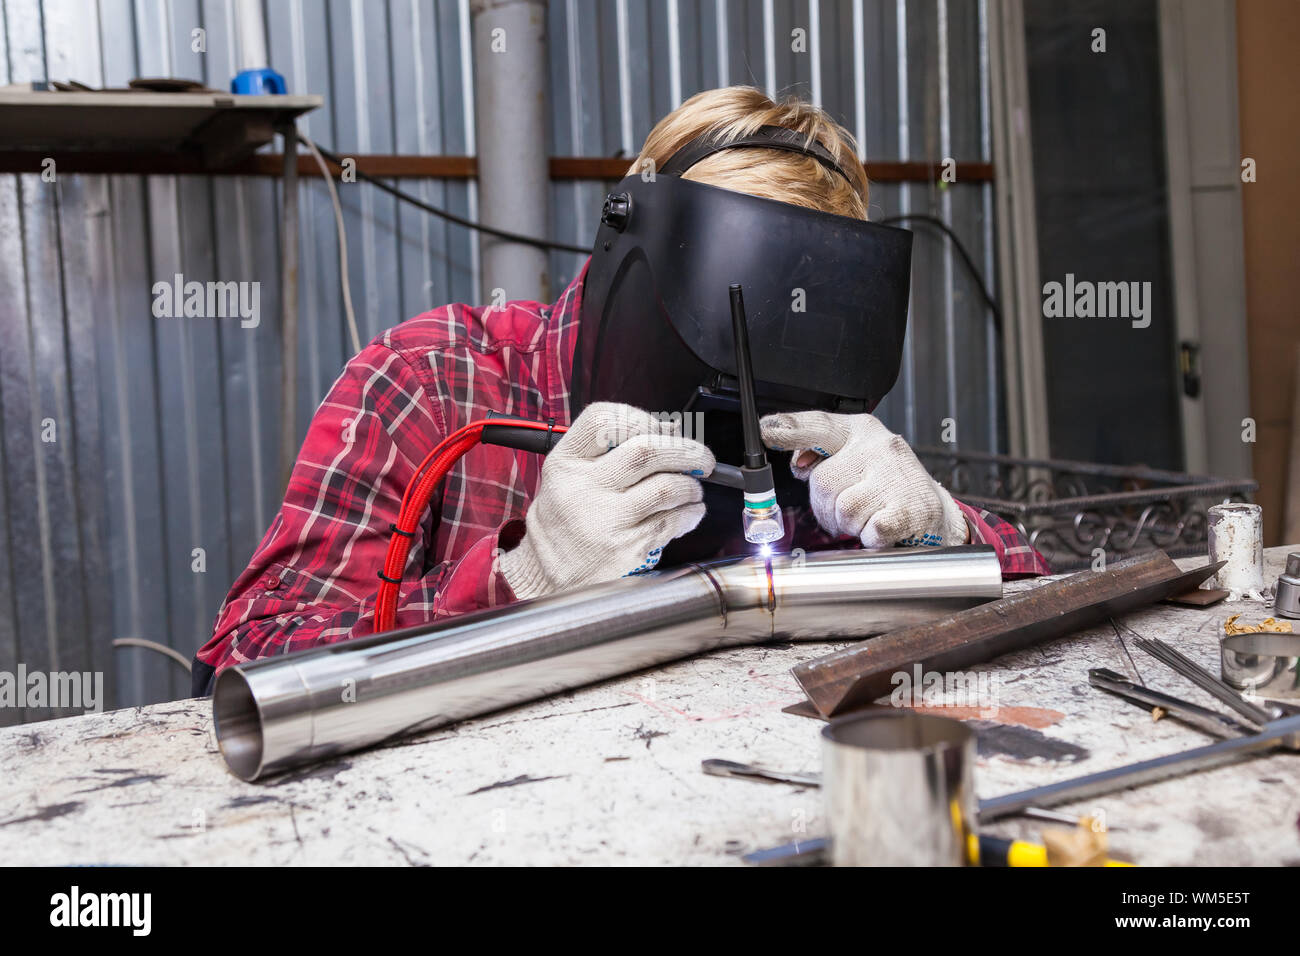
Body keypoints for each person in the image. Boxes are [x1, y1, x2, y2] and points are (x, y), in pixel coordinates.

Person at [192, 86, 1048, 695]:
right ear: (633, 252)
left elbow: (1038, 595)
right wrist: (520, 583)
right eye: (714, 340)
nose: (742, 402)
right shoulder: (430, 376)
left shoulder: (813, 403)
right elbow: (244, 661)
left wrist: (946, 531)